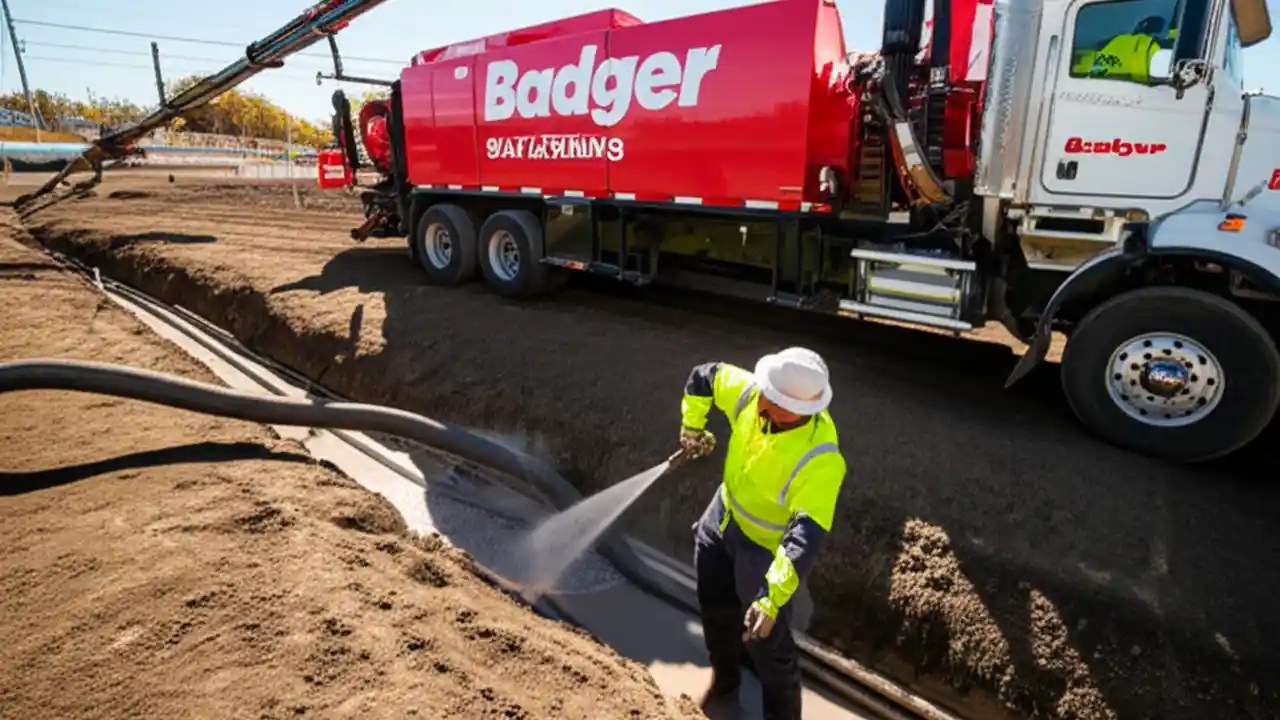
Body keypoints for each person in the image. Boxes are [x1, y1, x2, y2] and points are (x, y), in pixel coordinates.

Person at [678, 347, 847, 720]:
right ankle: (724, 685)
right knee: (715, 606)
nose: (762, 404)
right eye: (766, 394)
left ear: (802, 411)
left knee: (768, 646)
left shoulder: (820, 460)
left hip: (764, 552)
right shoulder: (755, 393)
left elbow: (804, 539)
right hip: (722, 518)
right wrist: (693, 425)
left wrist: (770, 600)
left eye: (774, 401)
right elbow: (704, 375)